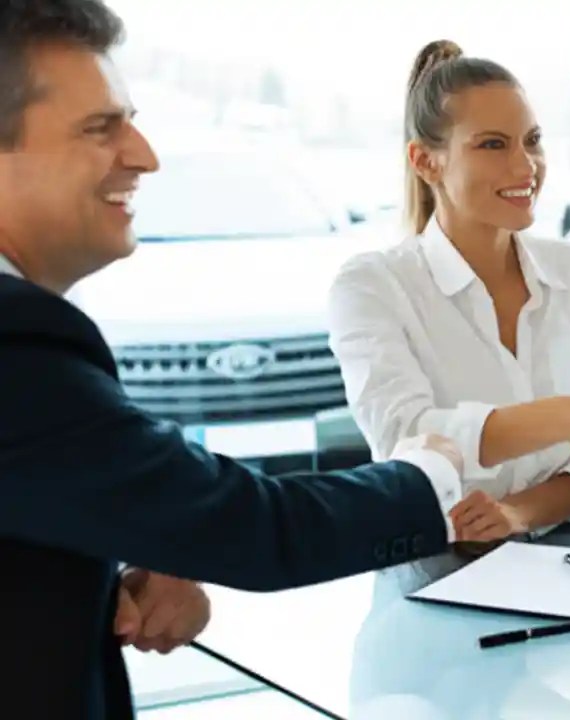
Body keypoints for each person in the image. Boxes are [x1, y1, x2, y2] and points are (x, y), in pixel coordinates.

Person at [0, 3, 470, 717]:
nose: (145, 155)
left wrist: (108, 568)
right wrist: (431, 475)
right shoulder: (17, 341)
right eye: (101, 128)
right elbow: (256, 527)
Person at [326, 40, 570, 576]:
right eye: (493, 145)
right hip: (435, 574)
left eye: (533, 141)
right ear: (425, 160)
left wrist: (515, 512)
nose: (526, 166)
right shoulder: (372, 286)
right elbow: (408, 437)